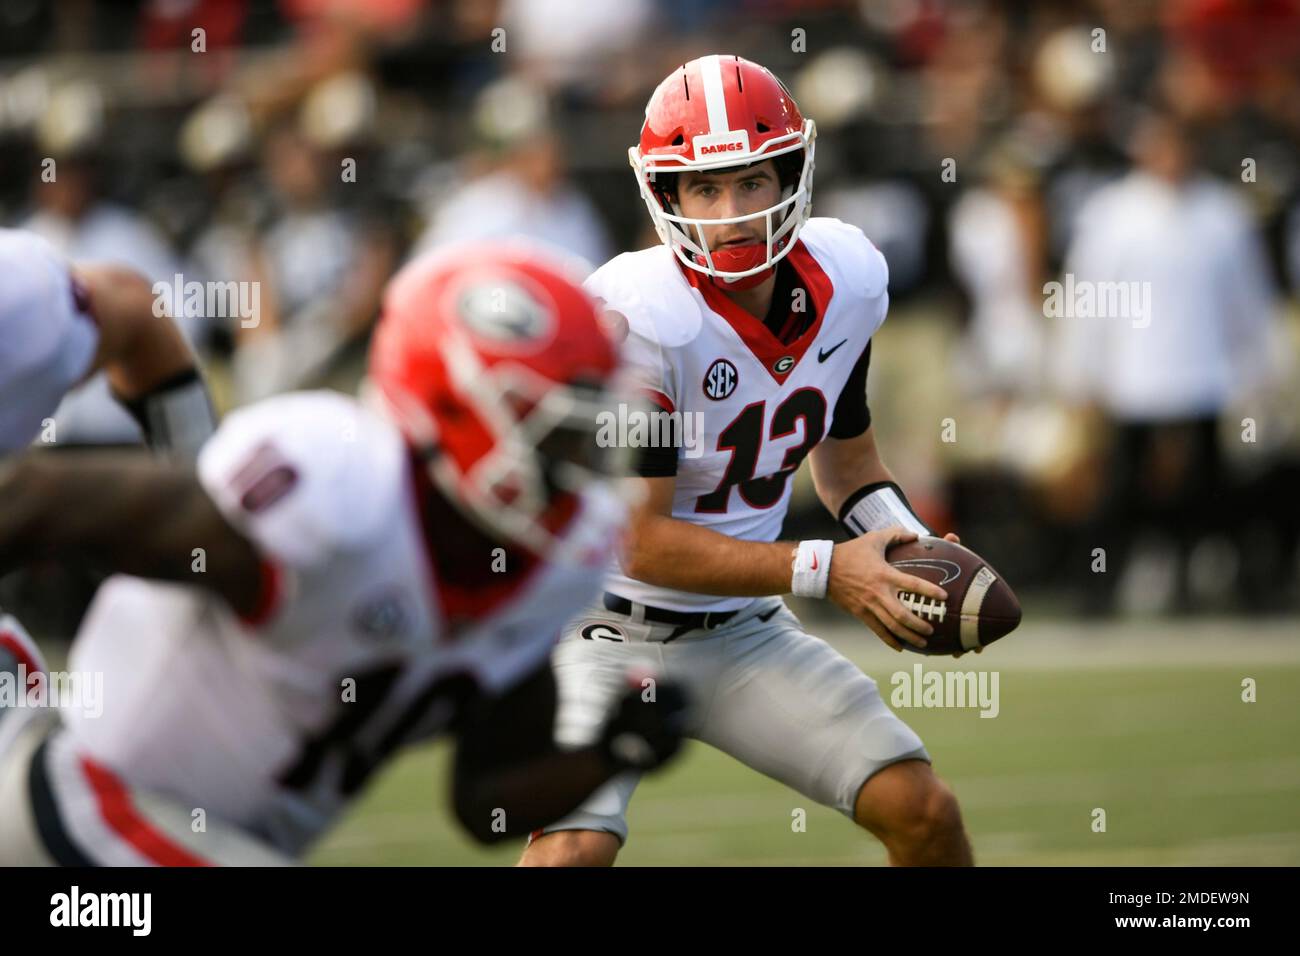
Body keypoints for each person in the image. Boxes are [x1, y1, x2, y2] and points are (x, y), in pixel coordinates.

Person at [0, 242, 686, 865]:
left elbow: (485, 800)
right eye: (553, 434)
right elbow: (32, 499)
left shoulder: (547, 568)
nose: (578, 465)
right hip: (80, 804)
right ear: (454, 410)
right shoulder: (336, 491)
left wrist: (608, 755)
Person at [519, 56, 973, 867]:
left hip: (740, 629)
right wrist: (829, 570)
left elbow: (849, 463)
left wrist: (909, 547)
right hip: (598, 625)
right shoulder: (641, 321)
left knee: (924, 812)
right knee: (572, 853)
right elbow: (641, 541)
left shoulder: (849, 281)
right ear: (668, 197)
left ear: (792, 176)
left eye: (752, 182)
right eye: (704, 189)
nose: (731, 213)